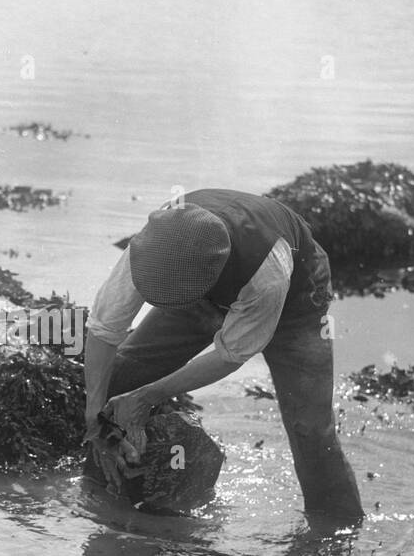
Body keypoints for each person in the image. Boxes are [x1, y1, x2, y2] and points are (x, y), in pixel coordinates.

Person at [84, 188, 363, 522]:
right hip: (192, 283)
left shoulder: (268, 272)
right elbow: (103, 328)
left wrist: (146, 398)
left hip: (296, 305)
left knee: (310, 429)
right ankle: (106, 503)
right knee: (121, 379)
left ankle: (334, 531)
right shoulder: (157, 243)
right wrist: (93, 408)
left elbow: (231, 353)